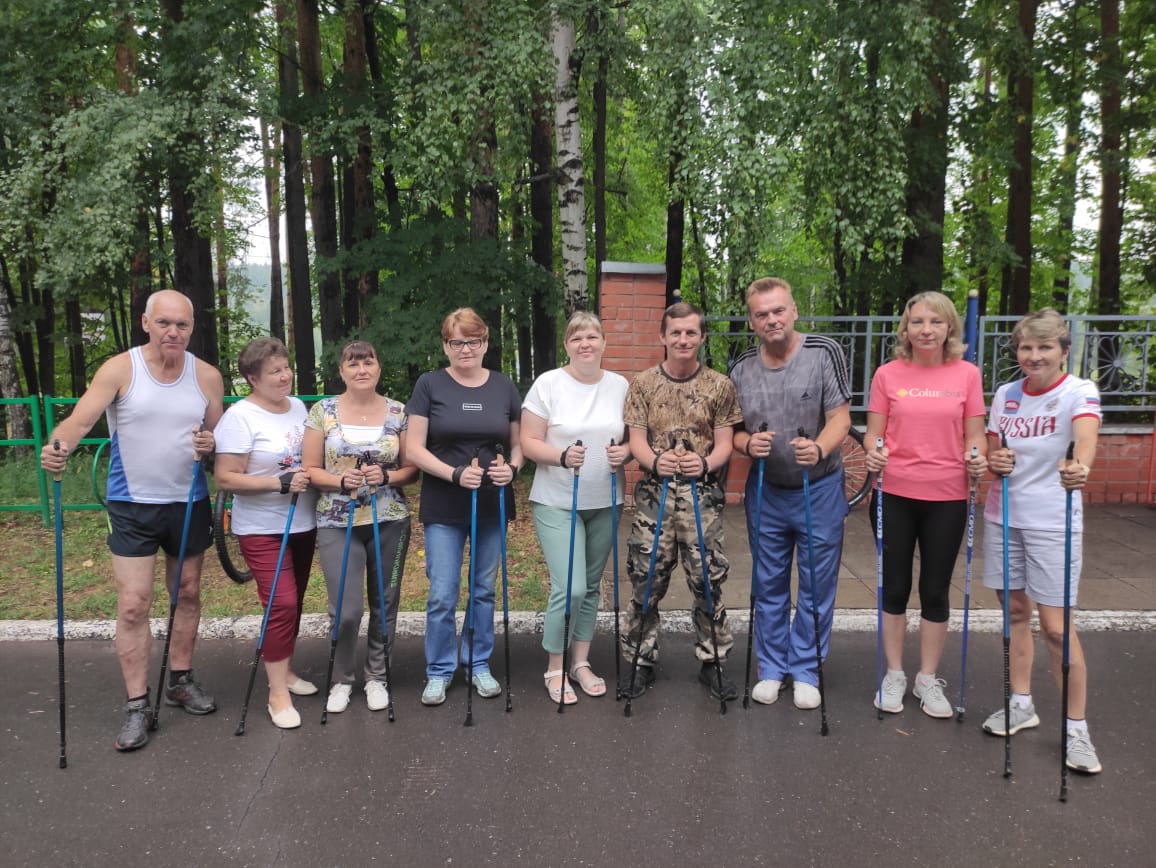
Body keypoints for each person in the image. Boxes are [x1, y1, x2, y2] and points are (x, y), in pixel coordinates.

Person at [39, 289, 223, 752]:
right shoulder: (121, 369)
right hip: (131, 504)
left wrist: (211, 447)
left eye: (181, 324)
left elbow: (221, 440)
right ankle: (138, 704)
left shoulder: (206, 376)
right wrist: (57, 448)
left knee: (186, 593)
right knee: (134, 604)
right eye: (164, 323)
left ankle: (179, 680)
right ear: (145, 322)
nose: (172, 332)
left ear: (191, 328)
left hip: (187, 502)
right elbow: (78, 422)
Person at [981, 309, 1102, 773]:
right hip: (1004, 515)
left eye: (1045, 347)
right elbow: (995, 455)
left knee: (1056, 627)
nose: (1034, 356)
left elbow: (1085, 441)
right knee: (1014, 613)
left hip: (1053, 521)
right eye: (1027, 348)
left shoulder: (1079, 391)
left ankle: (1076, 729)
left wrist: (1081, 468)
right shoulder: (1007, 395)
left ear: (1063, 351)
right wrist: (998, 461)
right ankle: (1021, 703)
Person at [863, 290, 987, 719]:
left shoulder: (967, 374)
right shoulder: (888, 374)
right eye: (917, 322)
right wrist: (874, 451)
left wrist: (977, 456)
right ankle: (895, 672)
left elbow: (975, 434)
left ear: (950, 326)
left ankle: (926, 678)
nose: (926, 330)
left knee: (935, 590)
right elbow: (873, 433)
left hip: (948, 495)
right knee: (894, 586)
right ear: (906, 328)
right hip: (895, 492)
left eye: (935, 322)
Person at [729, 278, 852, 710]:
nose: (771, 320)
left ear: (794, 311)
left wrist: (818, 447)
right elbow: (734, 432)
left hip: (816, 486)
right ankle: (771, 667)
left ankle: (806, 668)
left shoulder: (823, 352)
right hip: (766, 488)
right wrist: (748, 444)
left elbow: (840, 416)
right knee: (768, 583)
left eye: (778, 311)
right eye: (762, 314)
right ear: (752, 321)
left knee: (817, 583)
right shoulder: (741, 365)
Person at [618, 301, 743, 701]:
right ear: (663, 337)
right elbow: (635, 440)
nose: (683, 339)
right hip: (655, 496)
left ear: (702, 337)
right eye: (676, 332)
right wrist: (656, 460)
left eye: (691, 332)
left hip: (700, 495)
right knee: (645, 579)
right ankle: (640, 659)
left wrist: (702, 463)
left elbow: (726, 445)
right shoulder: (642, 384)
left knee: (708, 580)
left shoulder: (719, 385)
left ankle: (713, 662)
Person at [405, 308, 523, 707]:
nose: (466, 349)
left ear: (486, 343)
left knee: (484, 589)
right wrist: (454, 474)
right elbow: (413, 448)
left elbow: (518, 445)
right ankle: (439, 669)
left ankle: (478, 663)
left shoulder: (504, 386)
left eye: (473, 341)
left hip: (492, 501)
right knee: (442, 592)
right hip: (444, 501)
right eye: (457, 342)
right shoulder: (430, 384)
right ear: (446, 346)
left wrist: (514, 469)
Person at [302, 341, 418, 714]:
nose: (361, 370)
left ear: (379, 368)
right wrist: (341, 482)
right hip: (339, 520)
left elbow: (411, 469)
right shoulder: (323, 411)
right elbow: (311, 469)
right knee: (346, 608)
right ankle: (341, 678)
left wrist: (386, 474)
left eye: (368, 362)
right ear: (342, 371)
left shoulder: (399, 411)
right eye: (353, 364)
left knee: (385, 603)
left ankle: (377, 676)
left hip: (389, 519)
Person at [520, 311, 631, 704]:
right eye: (577, 337)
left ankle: (580, 662)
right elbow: (529, 441)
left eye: (593, 336)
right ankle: (554, 666)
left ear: (603, 343)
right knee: (570, 586)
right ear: (567, 345)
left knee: (591, 588)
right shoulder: (548, 383)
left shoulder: (620, 385)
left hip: (606, 500)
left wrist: (626, 452)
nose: (586, 343)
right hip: (557, 500)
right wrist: (562, 457)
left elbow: (631, 440)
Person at [214, 337, 318, 730]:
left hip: (302, 521)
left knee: (295, 602)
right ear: (252, 379)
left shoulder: (299, 408)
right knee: (282, 604)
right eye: (274, 371)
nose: (285, 375)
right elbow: (226, 477)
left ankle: (286, 670)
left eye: (286, 367)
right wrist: (278, 483)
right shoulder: (239, 418)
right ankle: (277, 694)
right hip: (261, 527)